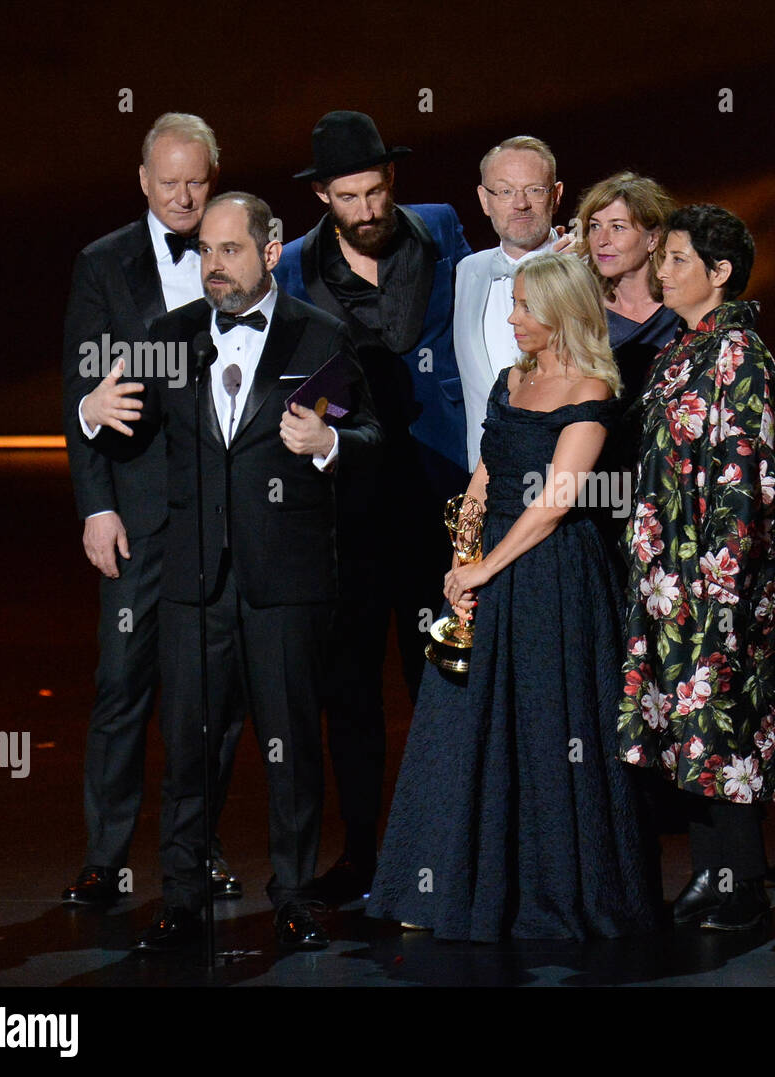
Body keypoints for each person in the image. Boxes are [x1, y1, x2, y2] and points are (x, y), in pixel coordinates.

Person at [367, 253, 658, 941]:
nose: (513, 318)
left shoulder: (593, 388)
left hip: (553, 572)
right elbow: (485, 473)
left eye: (526, 307)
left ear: (561, 312)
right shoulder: (510, 380)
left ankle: (552, 895)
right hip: (491, 565)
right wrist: (461, 560)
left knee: (550, 727)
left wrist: (486, 565)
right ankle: (442, 886)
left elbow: (557, 501)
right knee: (461, 723)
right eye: (515, 304)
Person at [127, 192, 383, 951]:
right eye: (204, 251)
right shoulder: (170, 337)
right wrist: (87, 408)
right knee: (190, 745)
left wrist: (328, 445)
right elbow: (121, 429)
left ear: (271, 253)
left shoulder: (321, 337)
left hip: (288, 582)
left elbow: (370, 435)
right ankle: (181, 896)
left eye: (230, 250)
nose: (213, 266)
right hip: (195, 582)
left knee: (292, 745)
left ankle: (295, 896)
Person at [274, 111, 471, 903]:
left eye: (377, 190)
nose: (367, 208)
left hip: (441, 495)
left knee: (444, 681)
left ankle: (450, 852)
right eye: (349, 195)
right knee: (349, 692)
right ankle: (361, 855)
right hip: (346, 510)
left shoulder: (445, 230)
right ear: (322, 194)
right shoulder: (292, 264)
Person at [61, 112, 243, 906]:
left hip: (224, 511)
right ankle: (105, 856)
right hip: (136, 514)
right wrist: (96, 506)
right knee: (122, 683)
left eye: (195, 180)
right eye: (167, 182)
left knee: (210, 695)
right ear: (143, 181)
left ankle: (194, 852)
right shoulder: (103, 264)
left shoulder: (241, 255)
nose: (181, 195)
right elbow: (83, 392)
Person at [620, 205, 775, 931]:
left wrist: (719, 585)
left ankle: (740, 882)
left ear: (719, 273)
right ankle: (713, 875)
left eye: (676, 259)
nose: (660, 270)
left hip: (716, 579)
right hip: (675, 575)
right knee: (693, 725)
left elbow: (742, 473)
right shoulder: (682, 347)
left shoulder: (740, 354)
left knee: (723, 720)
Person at [453, 135, 568, 472]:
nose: (520, 204)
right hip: (484, 476)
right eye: (504, 192)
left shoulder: (584, 270)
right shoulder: (468, 272)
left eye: (534, 190)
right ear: (484, 200)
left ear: (556, 196)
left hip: (564, 477)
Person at [575, 170, 679, 398]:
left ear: (653, 239)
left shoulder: (681, 313)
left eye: (617, 227)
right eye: (594, 226)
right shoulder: (581, 312)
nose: (602, 240)